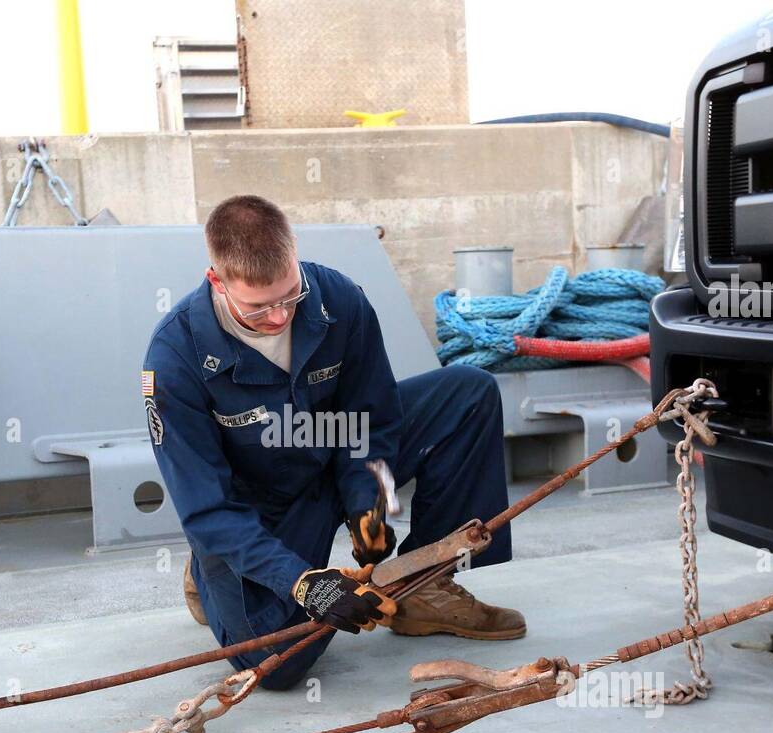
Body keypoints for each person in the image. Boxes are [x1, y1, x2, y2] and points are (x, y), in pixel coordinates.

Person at [143, 195, 523, 690]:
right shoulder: (174, 359)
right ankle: (210, 572)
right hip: (257, 510)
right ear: (218, 280)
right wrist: (303, 584)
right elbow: (206, 508)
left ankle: (423, 585)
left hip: (330, 456)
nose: (280, 318)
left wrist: (368, 504)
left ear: (295, 254)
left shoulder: (339, 301)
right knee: (276, 664)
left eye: (289, 297)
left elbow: (371, 420)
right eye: (259, 308)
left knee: (468, 393)